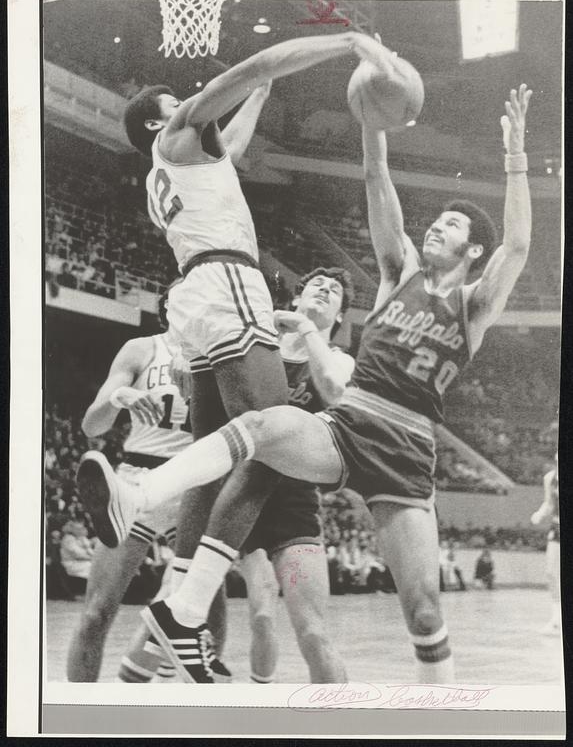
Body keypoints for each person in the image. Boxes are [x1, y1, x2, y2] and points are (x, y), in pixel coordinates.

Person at [79, 78, 533, 684]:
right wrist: (373, 120)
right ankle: (142, 505)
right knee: (263, 427)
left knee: (424, 612)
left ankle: (439, 710)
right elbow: (377, 182)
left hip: (407, 452)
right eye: (437, 219)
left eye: (450, 225)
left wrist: (515, 157)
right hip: (345, 429)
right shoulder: (398, 273)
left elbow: (521, 244)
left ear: (475, 250)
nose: (435, 227)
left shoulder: (474, 308)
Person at [66, 292, 228, 682]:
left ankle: (172, 706)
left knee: (206, 616)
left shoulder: (223, 358)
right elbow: (92, 426)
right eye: (182, 296)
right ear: (168, 307)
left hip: (194, 483)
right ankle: (77, 715)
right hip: (138, 480)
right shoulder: (141, 349)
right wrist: (120, 397)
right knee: (97, 612)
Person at [240, 267, 354, 683]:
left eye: (336, 290)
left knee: (312, 632)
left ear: (340, 316)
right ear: (296, 296)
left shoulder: (339, 360)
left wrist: (307, 328)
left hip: (294, 498)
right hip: (244, 492)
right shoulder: (258, 346)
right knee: (262, 613)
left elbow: (336, 392)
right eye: (317, 284)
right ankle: (258, 702)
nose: (325, 289)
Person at [530, 454, 560, 634]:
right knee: (551, 572)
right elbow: (549, 504)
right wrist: (540, 514)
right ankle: (557, 619)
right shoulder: (549, 478)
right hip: (557, 527)